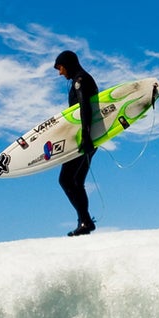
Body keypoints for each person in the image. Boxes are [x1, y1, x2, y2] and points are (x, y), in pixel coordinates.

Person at [53, 50, 98, 236]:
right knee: (77, 181)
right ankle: (84, 222)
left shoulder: (80, 80)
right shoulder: (83, 79)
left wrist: (86, 137)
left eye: (60, 68)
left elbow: (84, 108)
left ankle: (85, 221)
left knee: (65, 179)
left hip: (84, 138)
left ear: (68, 64)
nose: (60, 73)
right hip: (89, 137)